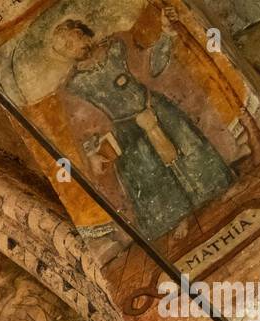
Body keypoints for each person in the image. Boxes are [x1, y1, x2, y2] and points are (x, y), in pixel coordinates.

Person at [52, 17, 235, 240]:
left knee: (189, 146)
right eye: (68, 48)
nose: (76, 48)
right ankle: (179, 218)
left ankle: (217, 189)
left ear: (83, 33)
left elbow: (152, 65)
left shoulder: (117, 47)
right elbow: (84, 124)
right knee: (149, 175)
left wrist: (166, 35)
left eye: (75, 39)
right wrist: (93, 153)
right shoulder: (75, 84)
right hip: (127, 130)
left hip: (154, 107)